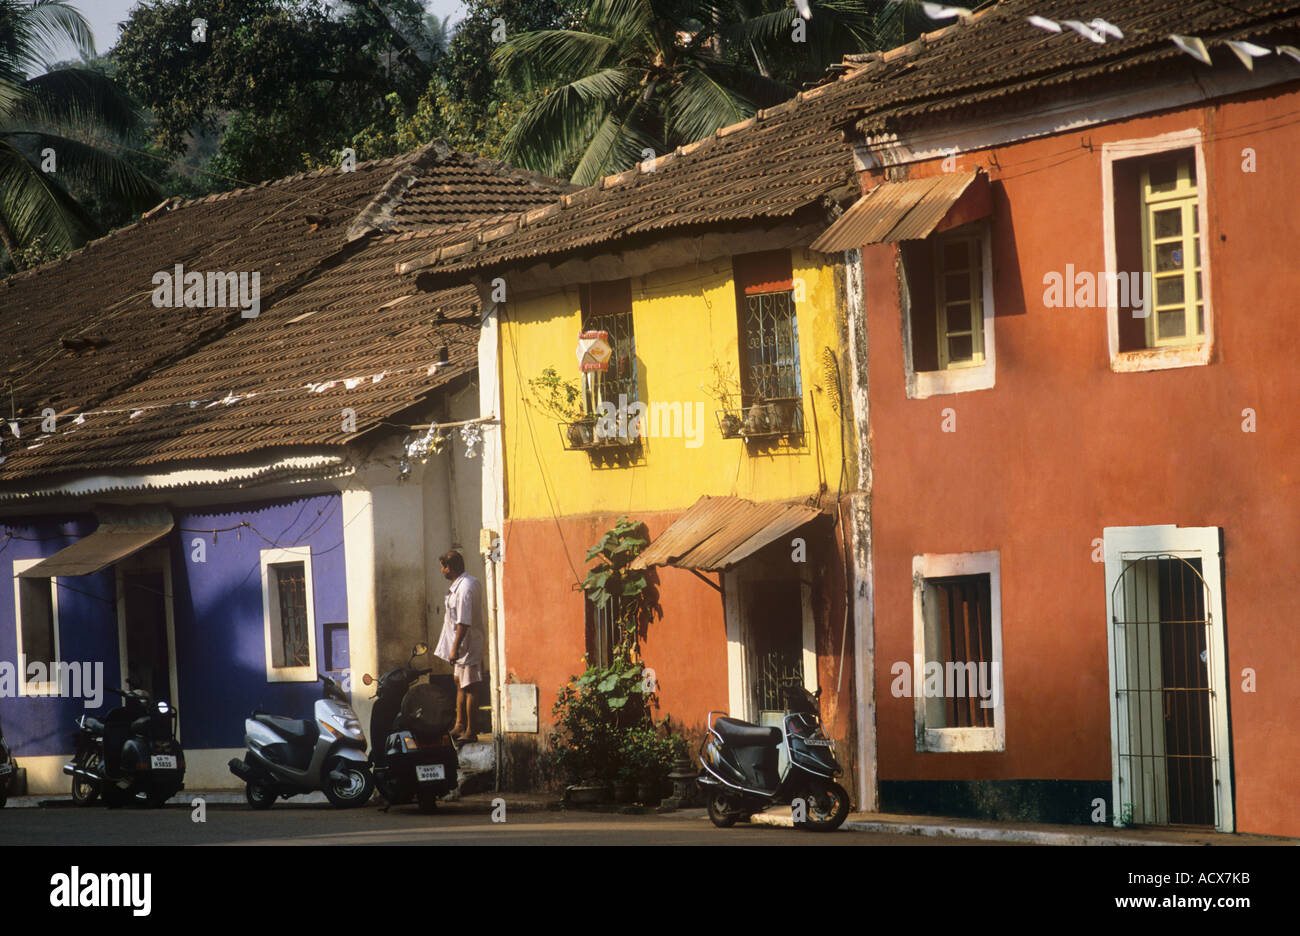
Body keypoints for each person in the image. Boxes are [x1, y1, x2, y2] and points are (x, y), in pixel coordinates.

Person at [435, 550, 484, 743]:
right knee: (458, 682)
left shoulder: (466, 587)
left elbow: (463, 622)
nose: (442, 571)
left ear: (451, 567)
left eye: (443, 567)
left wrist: (454, 648)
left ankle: (471, 731)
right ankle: (459, 724)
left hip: (468, 644)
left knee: (471, 686)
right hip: (460, 644)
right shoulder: (458, 585)